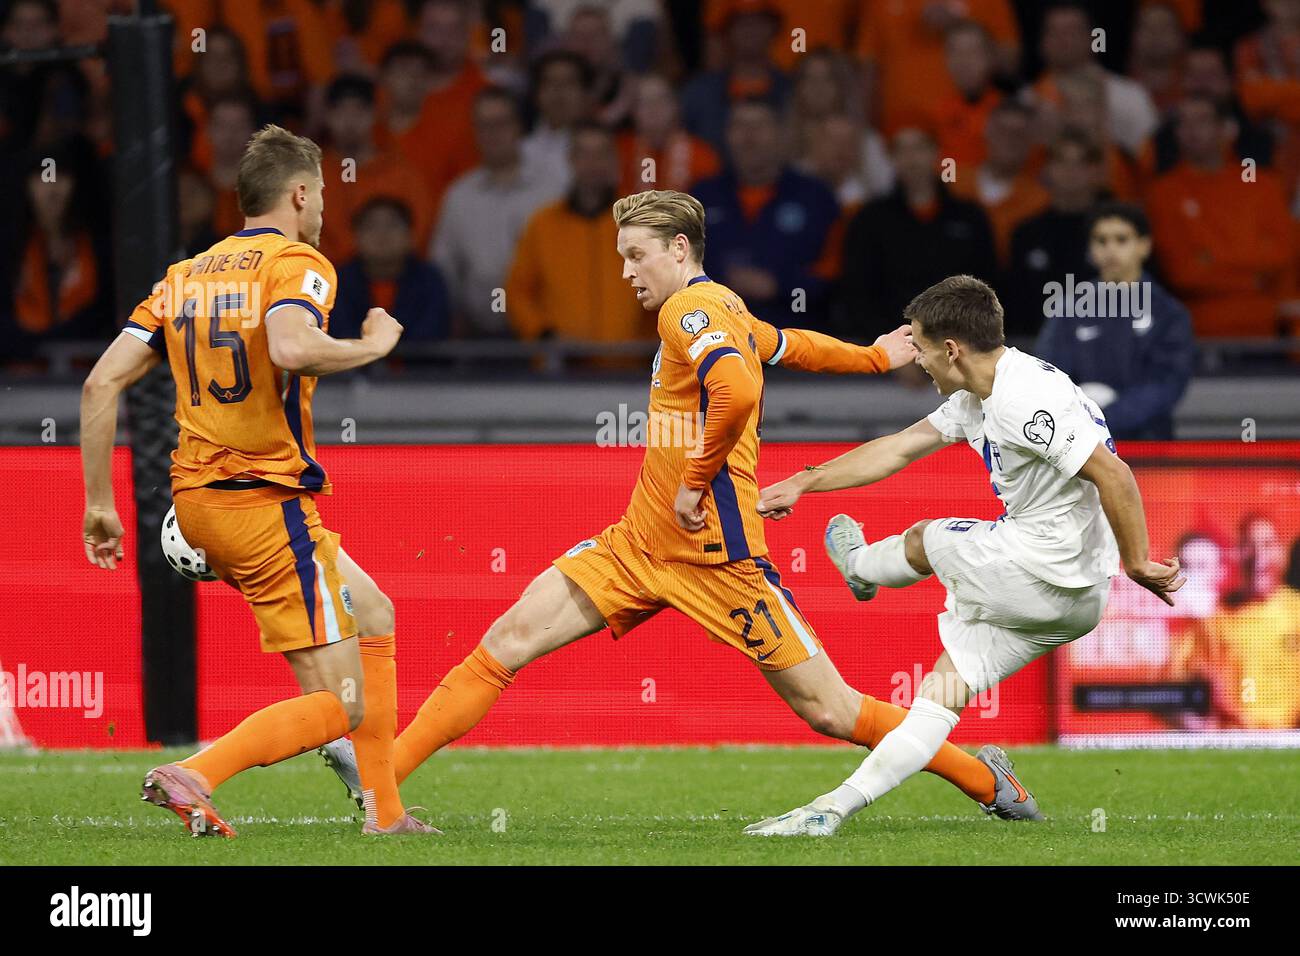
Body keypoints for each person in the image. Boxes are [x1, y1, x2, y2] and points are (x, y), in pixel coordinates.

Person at [322, 189, 1024, 824]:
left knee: (831, 711)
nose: (627, 270)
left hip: (719, 556)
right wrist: (872, 358)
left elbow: (738, 392)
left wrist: (693, 482)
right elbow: (784, 344)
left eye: (636, 255)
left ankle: (982, 777)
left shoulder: (691, 308)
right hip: (640, 545)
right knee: (507, 641)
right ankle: (383, 780)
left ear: (678, 250)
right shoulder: (719, 309)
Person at [78, 125, 425, 838]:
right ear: (300, 193)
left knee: (377, 613)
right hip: (264, 503)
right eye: (323, 192)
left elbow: (98, 383)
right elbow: (293, 346)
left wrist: (99, 505)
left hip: (199, 504)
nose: (325, 206)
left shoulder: (183, 276)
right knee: (343, 707)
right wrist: (373, 344)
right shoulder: (300, 262)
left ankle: (386, 816)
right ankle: (196, 773)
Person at [745, 274, 1184, 836]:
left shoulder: (1024, 400)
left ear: (950, 348)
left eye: (922, 349)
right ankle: (830, 811)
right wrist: (808, 480)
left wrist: (1139, 561)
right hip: (1074, 603)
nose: (918, 363)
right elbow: (899, 447)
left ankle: (859, 568)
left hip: (1040, 568)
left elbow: (1115, 474)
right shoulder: (981, 392)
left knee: (930, 537)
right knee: (938, 699)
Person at [1036, 203, 1195, 440]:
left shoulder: (1169, 314)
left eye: (1121, 240)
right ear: (1090, 248)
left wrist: (1104, 418)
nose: (1110, 250)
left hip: (1148, 447)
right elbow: (1047, 373)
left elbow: (1166, 384)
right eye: (1101, 241)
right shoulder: (1069, 309)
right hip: (1079, 450)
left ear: (1144, 245)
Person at [431, 86, 564, 337]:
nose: (493, 134)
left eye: (501, 123)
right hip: (475, 337)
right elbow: (445, 269)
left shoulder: (551, 191)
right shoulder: (459, 196)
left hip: (541, 332)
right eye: (484, 126)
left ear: (519, 127)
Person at [333, 197, 451, 345]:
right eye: (371, 226)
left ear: (410, 236)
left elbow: (431, 334)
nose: (382, 234)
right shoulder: (339, 281)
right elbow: (340, 332)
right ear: (355, 237)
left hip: (419, 367)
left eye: (392, 225)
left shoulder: (430, 280)